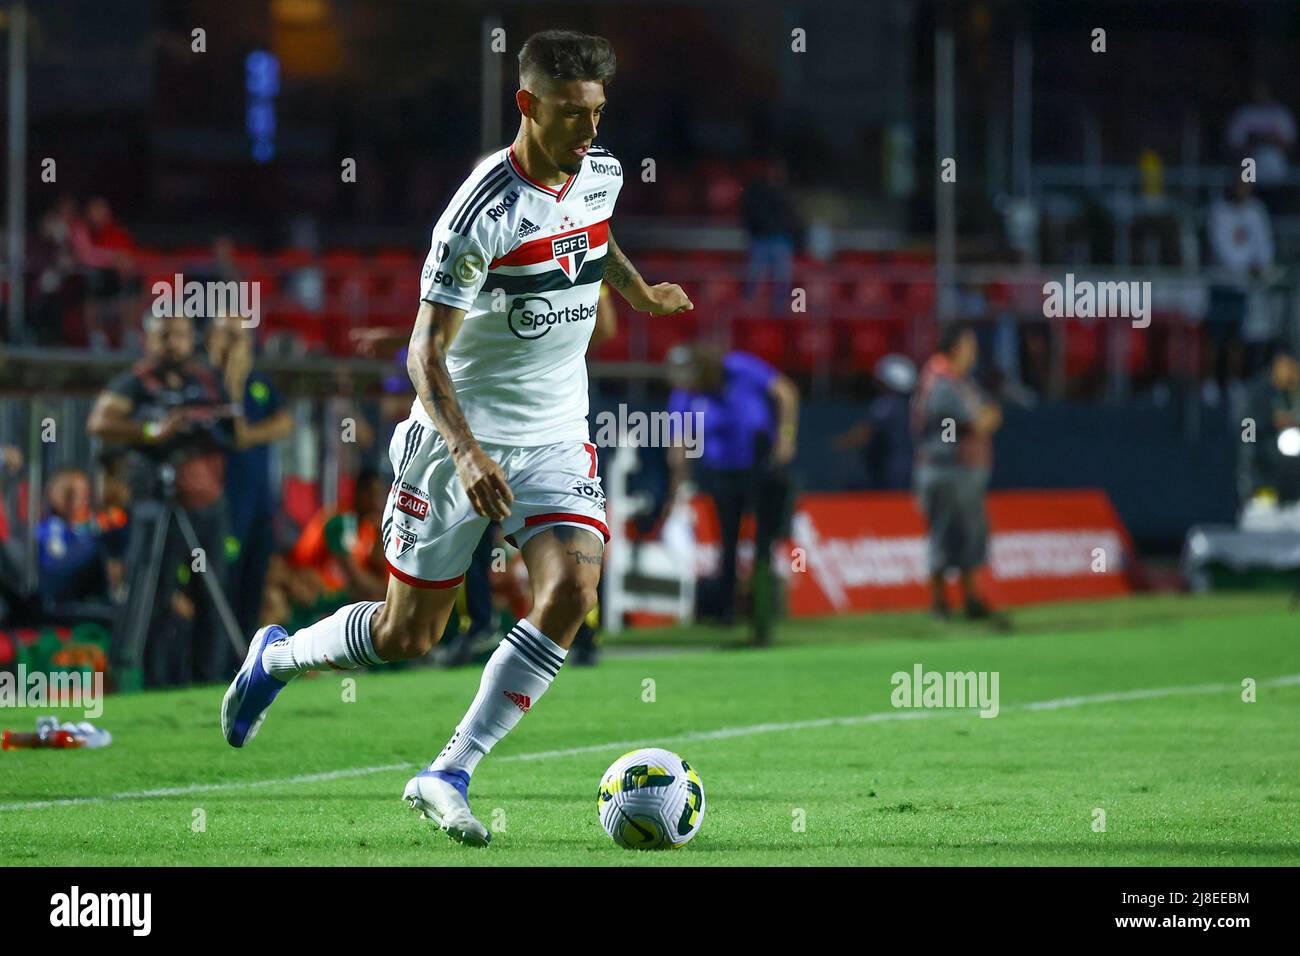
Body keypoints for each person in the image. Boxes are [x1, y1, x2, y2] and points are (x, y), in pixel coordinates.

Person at [221, 29, 692, 847]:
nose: (588, 132)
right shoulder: (482, 211)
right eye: (573, 114)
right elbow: (421, 352)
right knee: (411, 634)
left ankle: (449, 769)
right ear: (527, 104)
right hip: (455, 440)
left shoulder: (602, 172)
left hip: (554, 433)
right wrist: (469, 454)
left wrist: (639, 290)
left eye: (598, 113)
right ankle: (276, 657)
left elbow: (595, 235)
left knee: (574, 592)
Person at [87, 312, 237, 687]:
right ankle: (143, 680)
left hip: (207, 503)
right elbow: (99, 423)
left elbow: (232, 422)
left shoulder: (204, 379)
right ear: (149, 340)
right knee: (152, 596)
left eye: (183, 334)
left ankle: (214, 684)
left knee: (212, 595)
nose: (175, 343)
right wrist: (155, 430)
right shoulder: (135, 382)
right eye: (167, 335)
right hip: (158, 503)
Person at [664, 343, 799, 643]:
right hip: (722, 473)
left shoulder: (739, 367)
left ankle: (764, 613)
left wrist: (786, 438)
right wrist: (677, 488)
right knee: (728, 542)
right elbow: (678, 445)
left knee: (765, 539)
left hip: (761, 465)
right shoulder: (687, 392)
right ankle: (727, 612)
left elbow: (786, 393)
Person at [911, 323, 1006, 625]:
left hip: (960, 470)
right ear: (954, 348)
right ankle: (939, 602)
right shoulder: (942, 383)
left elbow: (990, 412)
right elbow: (976, 422)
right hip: (948, 469)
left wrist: (985, 417)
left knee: (969, 533)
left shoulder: (958, 380)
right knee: (944, 533)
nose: (974, 351)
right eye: (969, 344)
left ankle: (970, 598)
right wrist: (982, 420)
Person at [205, 313, 293, 638]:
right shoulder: (205, 384)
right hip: (222, 506)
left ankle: (241, 662)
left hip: (259, 505)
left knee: (252, 589)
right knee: (220, 588)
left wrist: (252, 431)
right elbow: (236, 434)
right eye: (231, 336)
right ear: (212, 339)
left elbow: (284, 423)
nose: (241, 345)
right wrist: (233, 385)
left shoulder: (259, 383)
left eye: (244, 336)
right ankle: (209, 669)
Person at [1206, 179, 1276, 396]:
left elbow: (1264, 245)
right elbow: (1221, 247)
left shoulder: (1256, 211)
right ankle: (1211, 383)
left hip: (1245, 286)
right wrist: (1245, 267)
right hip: (1222, 282)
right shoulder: (1218, 212)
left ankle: (1234, 381)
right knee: (1216, 337)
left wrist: (1261, 266)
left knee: (1238, 336)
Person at [832, 354, 916, 490]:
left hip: (890, 472)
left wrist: (842, 442)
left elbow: (865, 432)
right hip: (912, 469)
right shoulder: (915, 404)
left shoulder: (887, 405)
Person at [1239, 347, 1300, 506]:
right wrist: (1270, 422)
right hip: (1264, 466)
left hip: (1292, 467)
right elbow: (1247, 429)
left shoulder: (1295, 391)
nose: (1294, 373)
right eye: (1291, 367)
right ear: (1278, 365)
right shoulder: (1256, 391)